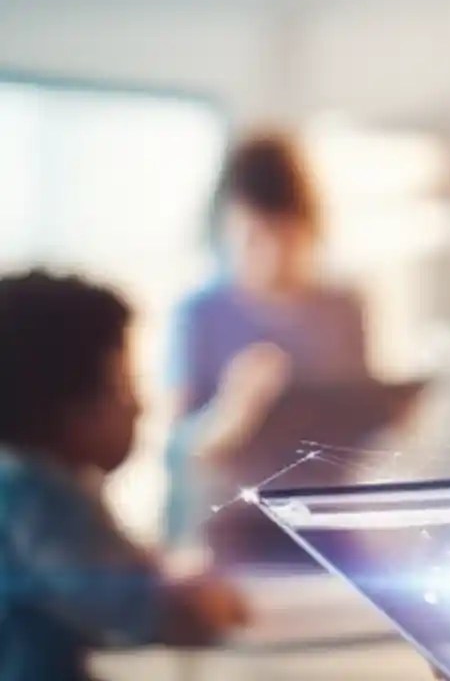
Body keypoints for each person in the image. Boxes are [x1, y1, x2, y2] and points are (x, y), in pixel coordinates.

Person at [0, 270, 247, 681]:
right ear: (73, 408)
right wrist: (198, 603)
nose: (139, 408)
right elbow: (143, 609)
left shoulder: (42, 489)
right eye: (124, 385)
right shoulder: (34, 494)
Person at [164, 131, 370, 546]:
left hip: (327, 521)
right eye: (254, 238)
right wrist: (235, 408)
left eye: (288, 238)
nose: (273, 257)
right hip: (232, 527)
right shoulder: (199, 314)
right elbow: (183, 454)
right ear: (223, 232)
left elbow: (358, 426)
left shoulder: (343, 306)